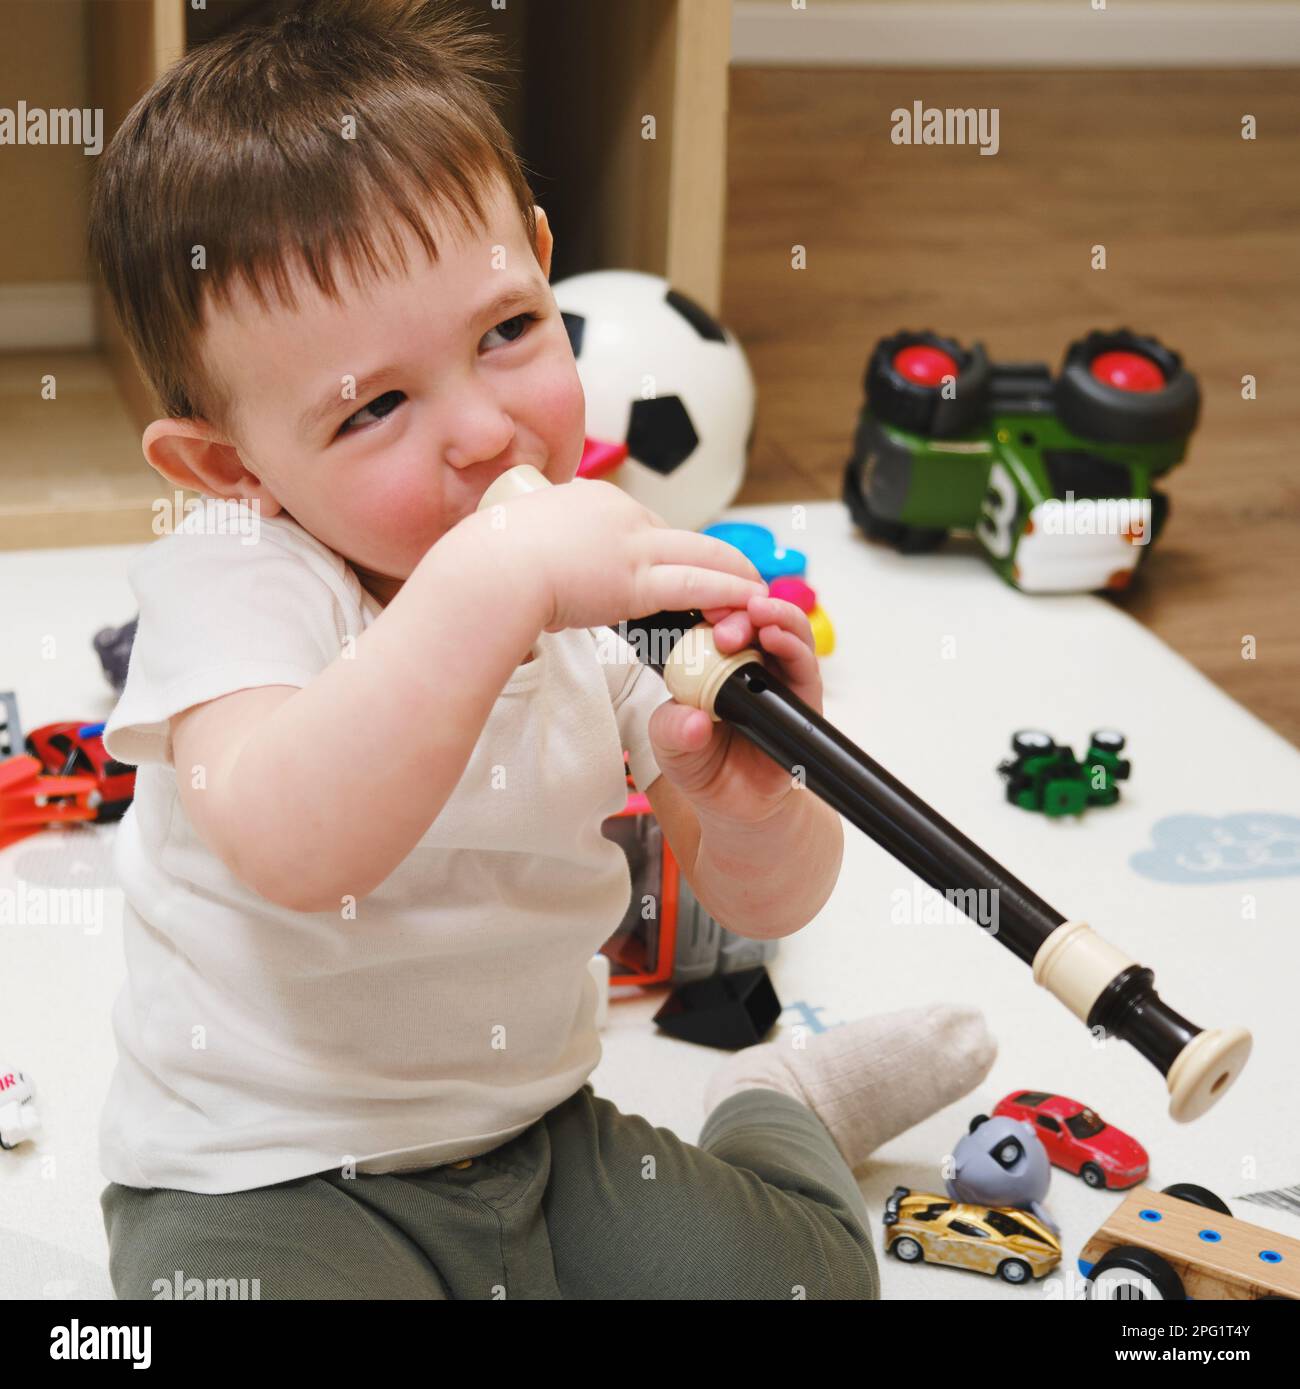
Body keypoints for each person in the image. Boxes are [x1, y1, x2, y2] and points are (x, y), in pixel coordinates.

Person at [89, 0, 995, 1299]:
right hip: (256, 1176)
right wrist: (497, 584)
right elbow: (297, 843)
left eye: (508, 331)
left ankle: (777, 1105)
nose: (480, 429)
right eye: (377, 406)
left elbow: (769, 903)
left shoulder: (604, 573)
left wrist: (748, 802)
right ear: (232, 467)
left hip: (535, 1131)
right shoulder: (233, 577)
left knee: (808, 1287)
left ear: (546, 263)